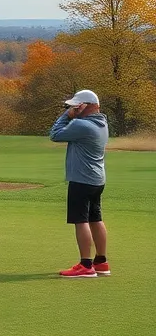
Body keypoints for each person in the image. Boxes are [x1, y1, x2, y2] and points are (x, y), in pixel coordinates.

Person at [50, 90, 110, 278]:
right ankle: (101, 262)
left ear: (88, 106)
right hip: (96, 179)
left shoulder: (82, 125)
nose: (73, 109)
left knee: (81, 220)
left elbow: (55, 134)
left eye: (77, 106)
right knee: (95, 218)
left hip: (82, 180)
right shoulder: (102, 123)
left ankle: (86, 265)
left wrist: (67, 115)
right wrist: (75, 113)